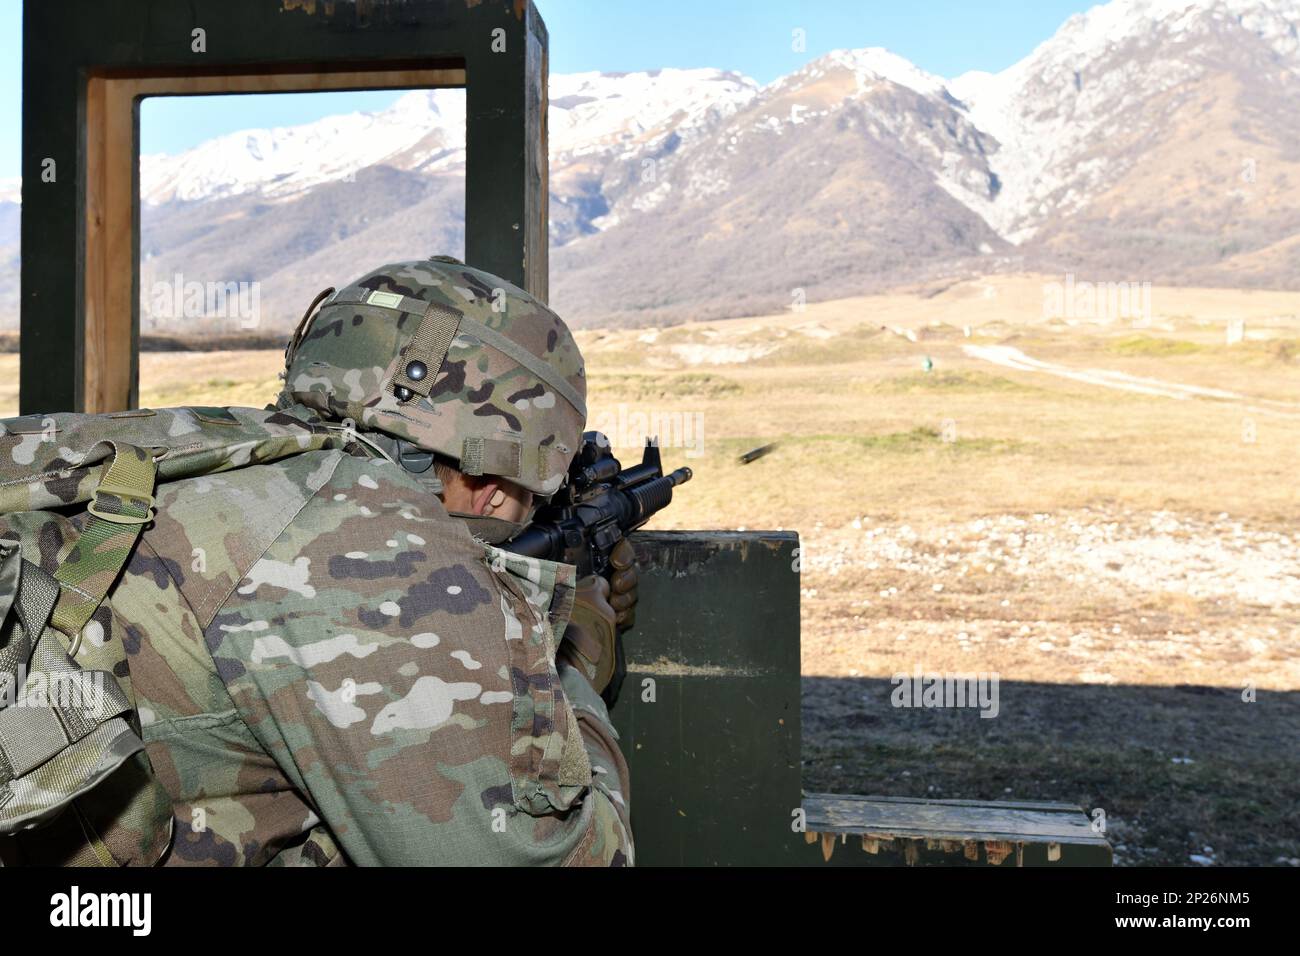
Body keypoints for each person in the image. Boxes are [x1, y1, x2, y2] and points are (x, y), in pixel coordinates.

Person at [111, 256, 635, 865]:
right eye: (534, 499)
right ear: (492, 485)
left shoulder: (208, 455)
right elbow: (579, 856)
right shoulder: (379, 554)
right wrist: (568, 652)